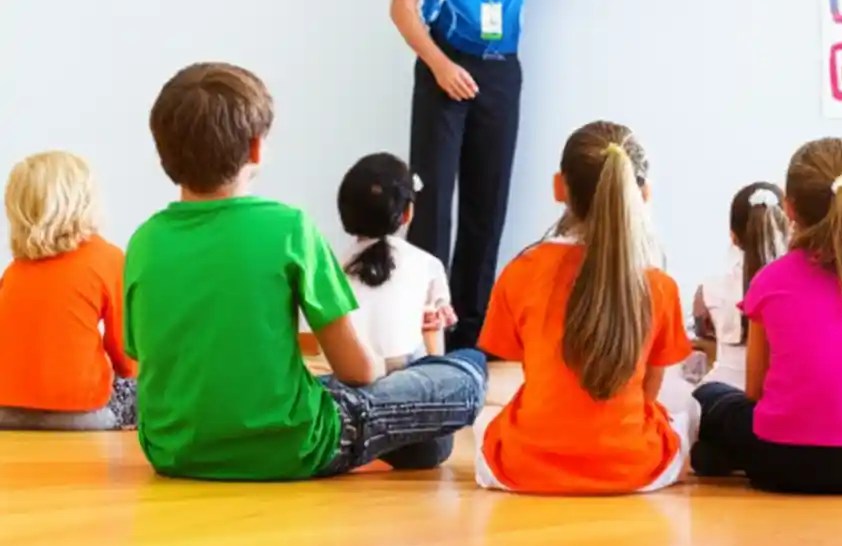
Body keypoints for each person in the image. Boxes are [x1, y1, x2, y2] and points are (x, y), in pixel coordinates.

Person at [389, 0, 719, 351]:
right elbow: (403, 7)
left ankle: (470, 332)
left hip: (501, 71)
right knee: (432, 202)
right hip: (444, 66)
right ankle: (423, 325)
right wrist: (439, 65)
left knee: (489, 200)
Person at [125, 62, 486, 480]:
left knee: (409, 429)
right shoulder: (289, 229)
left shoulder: (144, 241)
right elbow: (358, 371)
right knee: (465, 373)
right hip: (289, 445)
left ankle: (416, 437)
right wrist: (398, 367)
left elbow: (142, 356)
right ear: (256, 148)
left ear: (163, 155)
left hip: (173, 451)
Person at [691, 138, 842, 495]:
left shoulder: (770, 280)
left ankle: (716, 455)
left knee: (711, 397)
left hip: (786, 462)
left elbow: (755, 392)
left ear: (789, 208)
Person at [474, 121, 695, 494]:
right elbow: (650, 391)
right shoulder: (659, 284)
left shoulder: (521, 270)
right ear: (642, 193)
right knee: (688, 410)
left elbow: (520, 364)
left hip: (524, 468)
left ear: (559, 187)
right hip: (633, 468)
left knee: (488, 419)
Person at [0, 152, 137, 431]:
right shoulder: (108, 259)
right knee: (140, 387)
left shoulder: (13, 272)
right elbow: (126, 356)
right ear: (86, 203)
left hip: (5, 412)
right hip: (81, 414)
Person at [301, 153, 455, 372]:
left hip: (348, 375)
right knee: (437, 325)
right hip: (405, 376)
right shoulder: (428, 264)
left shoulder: (332, 266)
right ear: (407, 214)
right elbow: (441, 317)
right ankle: (437, 378)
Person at [692, 182, 789, 390]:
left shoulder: (707, 290)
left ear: (733, 237)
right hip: (777, 394)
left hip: (721, 394)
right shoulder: (798, 291)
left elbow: (701, 336)